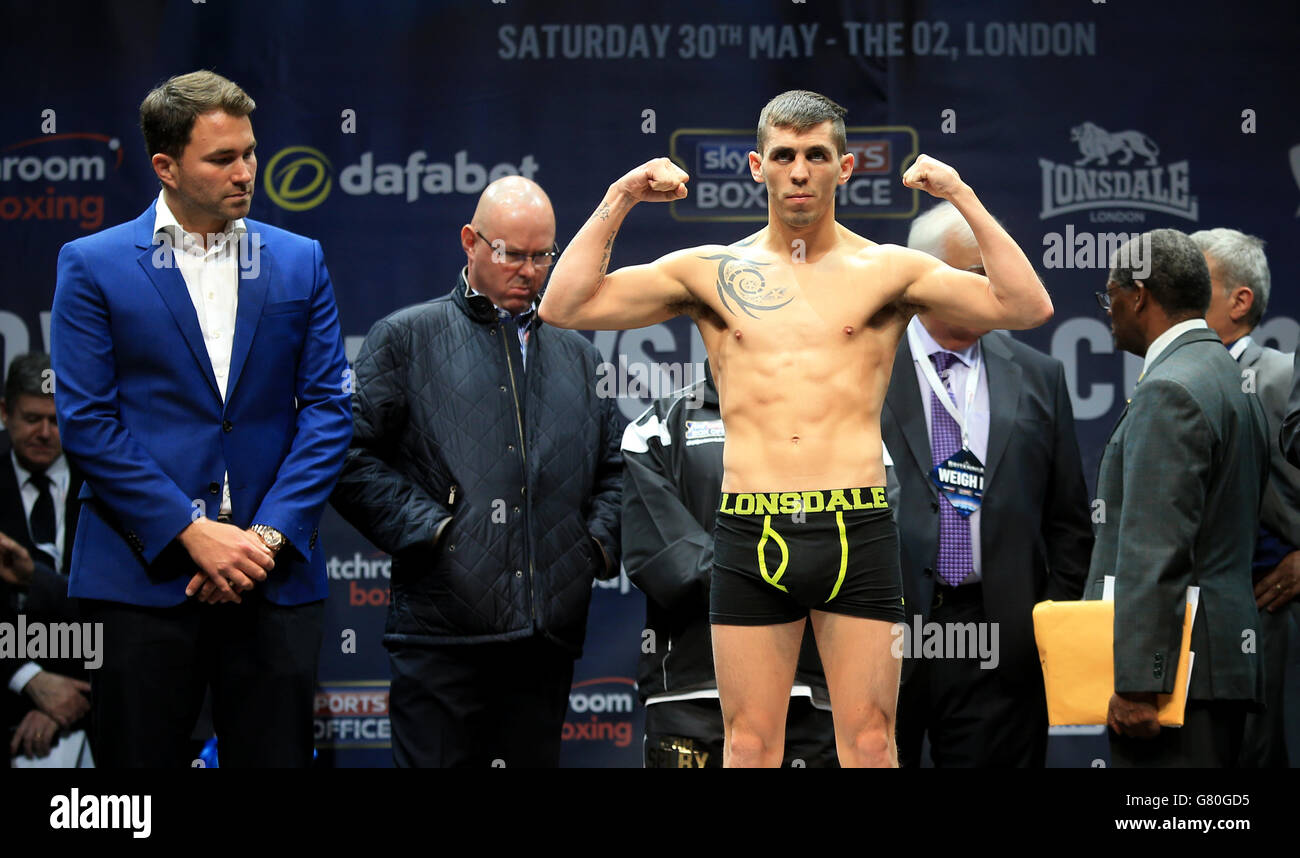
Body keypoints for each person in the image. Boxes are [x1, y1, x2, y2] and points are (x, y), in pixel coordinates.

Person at [539, 89, 1053, 767]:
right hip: (752, 528)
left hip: (857, 525)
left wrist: (961, 195)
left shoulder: (888, 270)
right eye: (784, 155)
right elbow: (566, 302)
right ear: (758, 166)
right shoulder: (711, 271)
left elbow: (1025, 304)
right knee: (749, 745)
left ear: (845, 168)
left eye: (817, 155)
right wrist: (622, 194)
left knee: (871, 742)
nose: (800, 171)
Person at [49, 70, 353, 767]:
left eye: (249, 152)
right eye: (222, 158)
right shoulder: (92, 266)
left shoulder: (300, 261)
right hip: (141, 578)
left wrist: (263, 540)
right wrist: (191, 533)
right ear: (165, 166)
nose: (245, 171)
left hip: (271, 578)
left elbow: (330, 412)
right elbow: (89, 423)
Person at [331, 176, 623, 768]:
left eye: (543, 255)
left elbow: (617, 469)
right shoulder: (405, 338)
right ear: (470, 241)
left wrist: (589, 546)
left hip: (545, 637)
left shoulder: (577, 353)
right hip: (441, 633)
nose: (529, 270)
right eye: (510, 253)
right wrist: (436, 533)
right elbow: (346, 457)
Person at [883, 203, 1093, 767]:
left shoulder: (1038, 376)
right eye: (978, 272)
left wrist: (1044, 625)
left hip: (998, 640)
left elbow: (1069, 521)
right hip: (881, 633)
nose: (997, 284)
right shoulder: (863, 367)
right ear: (923, 277)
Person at [1085, 228, 1268, 767]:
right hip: (1213, 667)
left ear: (1137, 294)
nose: (1109, 310)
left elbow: (1156, 548)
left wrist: (1141, 682)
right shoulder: (1224, 374)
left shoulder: (1171, 389)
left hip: (1178, 681)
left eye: (1110, 295)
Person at [623, 359, 841, 768]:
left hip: (809, 691)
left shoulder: (840, 422)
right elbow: (661, 555)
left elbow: (871, 533)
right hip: (694, 692)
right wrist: (776, 572)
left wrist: (779, 570)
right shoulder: (656, 428)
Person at [1193, 227, 1298, 767]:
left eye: (1196, 282)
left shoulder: (1280, 376)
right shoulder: (1172, 380)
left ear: (1241, 300)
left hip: (1277, 611)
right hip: (1204, 621)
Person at [0, 353, 91, 766]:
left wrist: (69, 696)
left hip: (97, 703)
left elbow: (119, 609)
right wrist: (30, 679)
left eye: (55, 421)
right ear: (4, 413)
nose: (44, 432)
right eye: (32, 418)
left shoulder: (106, 491)